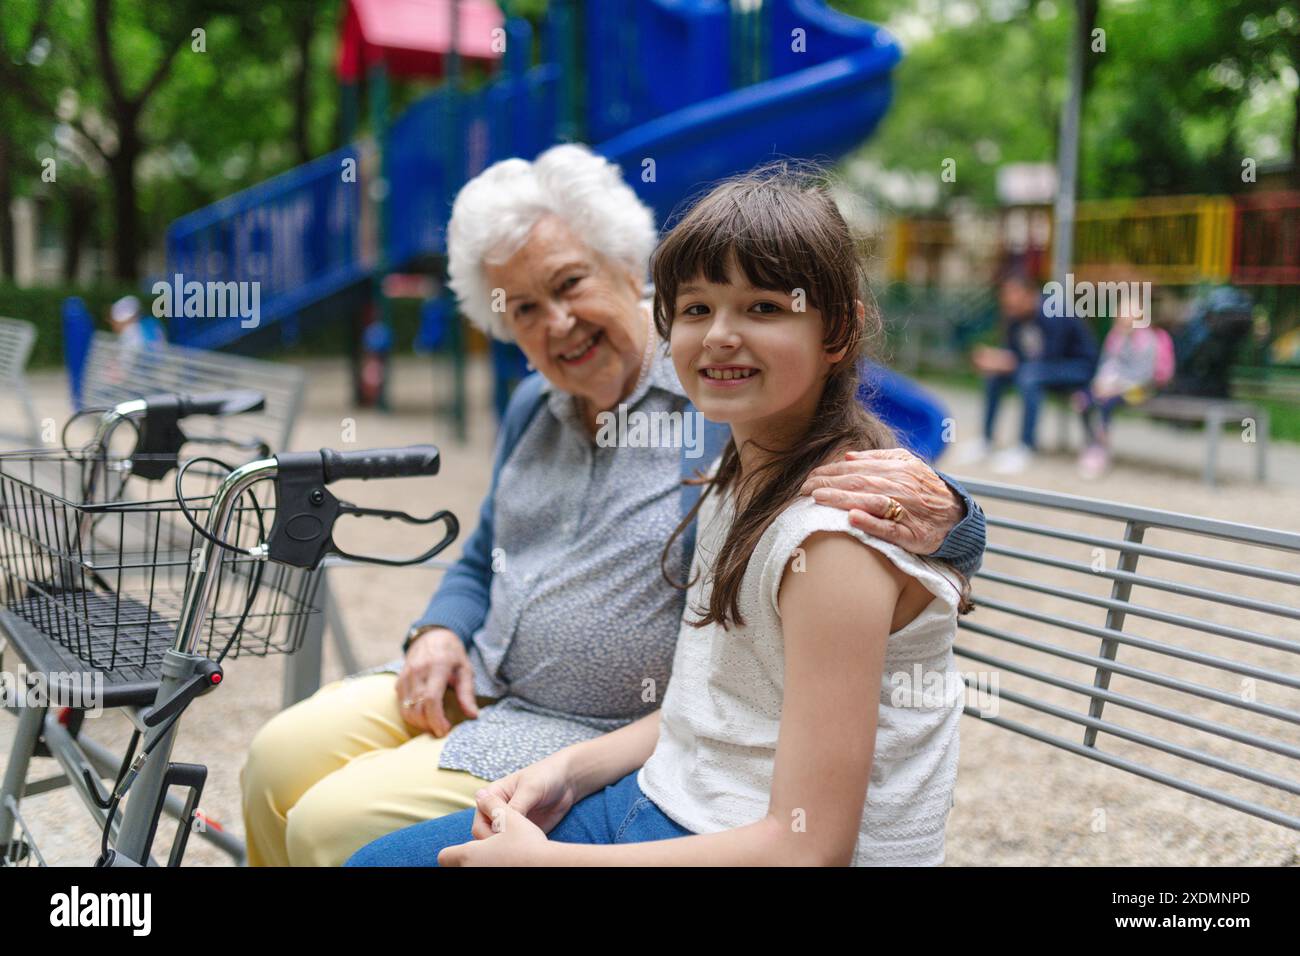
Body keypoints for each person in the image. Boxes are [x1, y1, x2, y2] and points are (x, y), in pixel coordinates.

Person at [240, 146, 987, 867]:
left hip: (606, 727)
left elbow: (870, 479)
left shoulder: (718, 407)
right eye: (523, 308)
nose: (555, 323)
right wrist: (438, 630)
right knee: (273, 759)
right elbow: (483, 552)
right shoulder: (548, 408)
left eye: (569, 286)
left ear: (629, 270)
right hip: (511, 688)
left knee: (324, 825)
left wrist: (959, 519)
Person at [959, 271, 1098, 475]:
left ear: (1030, 294)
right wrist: (996, 359)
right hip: (1039, 369)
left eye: (1013, 296)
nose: (1008, 302)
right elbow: (1017, 354)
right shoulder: (1015, 317)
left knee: (1029, 376)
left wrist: (1007, 361)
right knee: (996, 377)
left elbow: (1050, 357)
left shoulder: (1054, 312)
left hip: (1077, 368)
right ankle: (985, 441)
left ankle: (1025, 447)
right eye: (1005, 297)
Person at [1073, 301, 1174, 479]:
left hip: (1140, 389)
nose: (1122, 317)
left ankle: (1100, 449)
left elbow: (1144, 375)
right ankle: (1092, 444)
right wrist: (1101, 383)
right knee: (1082, 400)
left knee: (1105, 402)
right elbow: (1106, 364)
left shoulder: (1147, 340)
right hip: (1113, 386)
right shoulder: (1116, 337)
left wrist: (1115, 387)